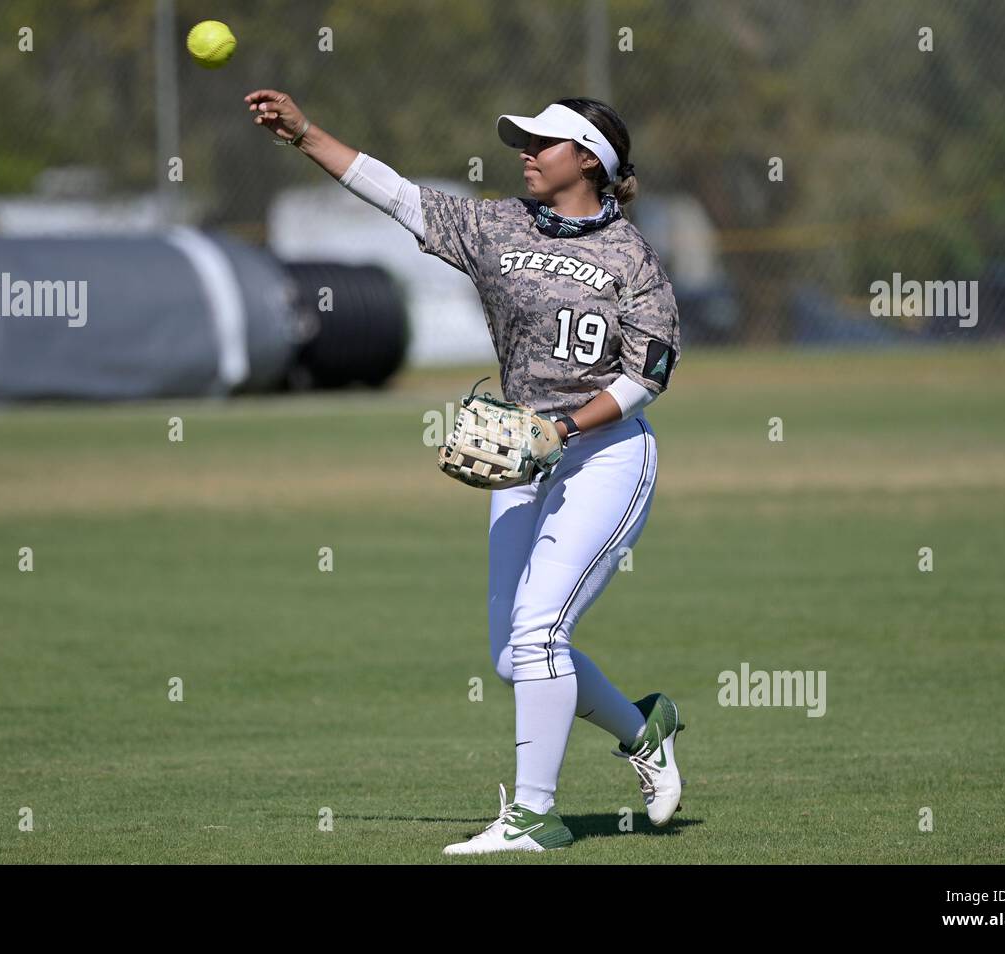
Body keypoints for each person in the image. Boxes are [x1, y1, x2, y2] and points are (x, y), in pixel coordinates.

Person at [245, 89, 686, 855]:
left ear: (588, 160)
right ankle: (643, 729)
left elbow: (648, 373)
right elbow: (391, 191)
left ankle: (534, 817)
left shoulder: (632, 258)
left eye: (541, 142)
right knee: (516, 657)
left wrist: (566, 426)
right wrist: (305, 133)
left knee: (542, 632)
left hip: (604, 456)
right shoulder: (495, 224)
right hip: (520, 456)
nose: (524, 150)